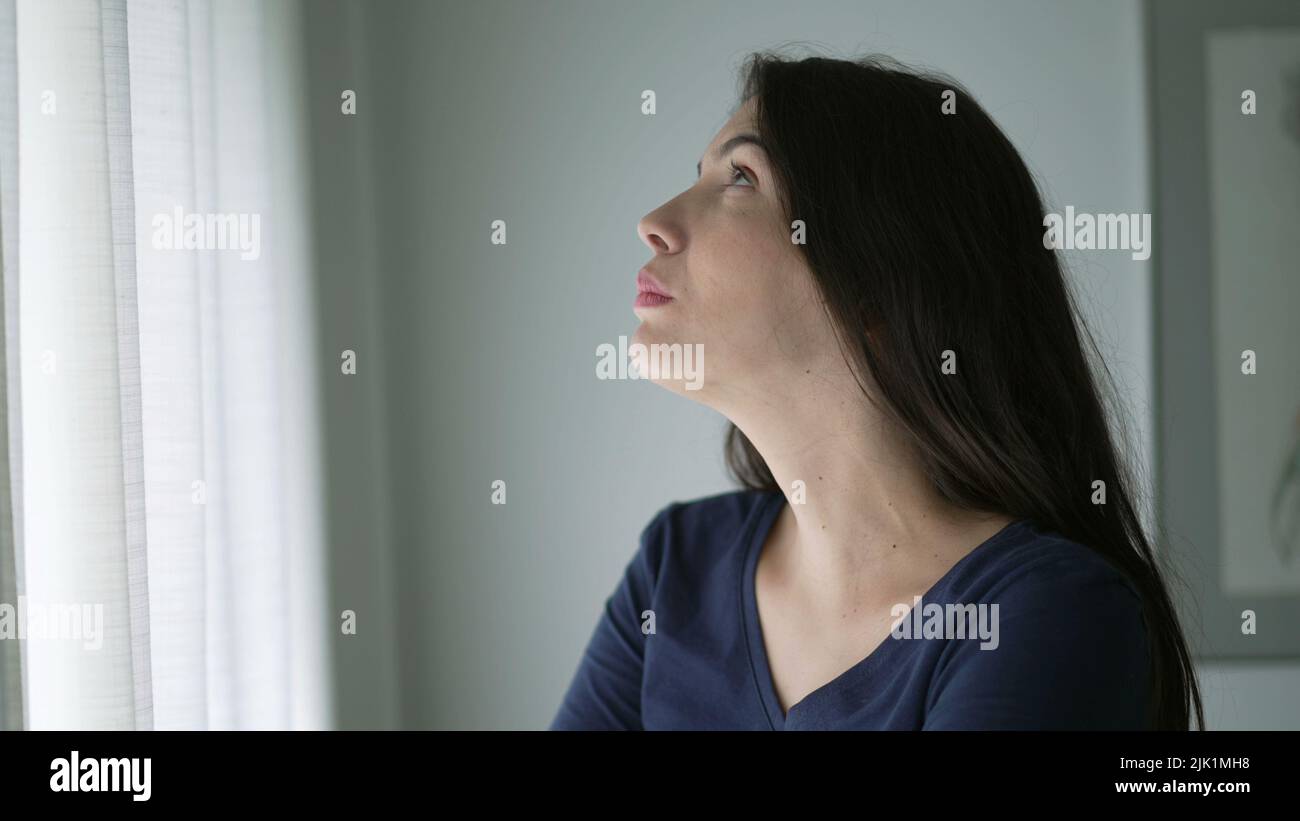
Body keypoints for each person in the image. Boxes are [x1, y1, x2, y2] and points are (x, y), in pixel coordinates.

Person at [550, 52, 1203, 730]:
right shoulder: (675, 569)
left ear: (879, 286)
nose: (653, 221)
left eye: (741, 177)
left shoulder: (1050, 613)